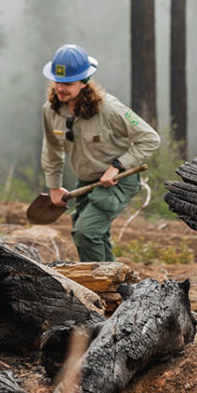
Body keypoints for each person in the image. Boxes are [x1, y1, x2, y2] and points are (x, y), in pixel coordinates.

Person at [41, 44, 160, 262]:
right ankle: (115, 287)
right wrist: (54, 186)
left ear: (84, 82)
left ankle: (100, 288)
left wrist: (117, 166)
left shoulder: (109, 109)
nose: (60, 88)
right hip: (86, 183)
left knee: (87, 233)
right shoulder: (51, 111)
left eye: (68, 83)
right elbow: (51, 150)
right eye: (57, 81)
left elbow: (150, 139)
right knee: (93, 234)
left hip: (119, 180)